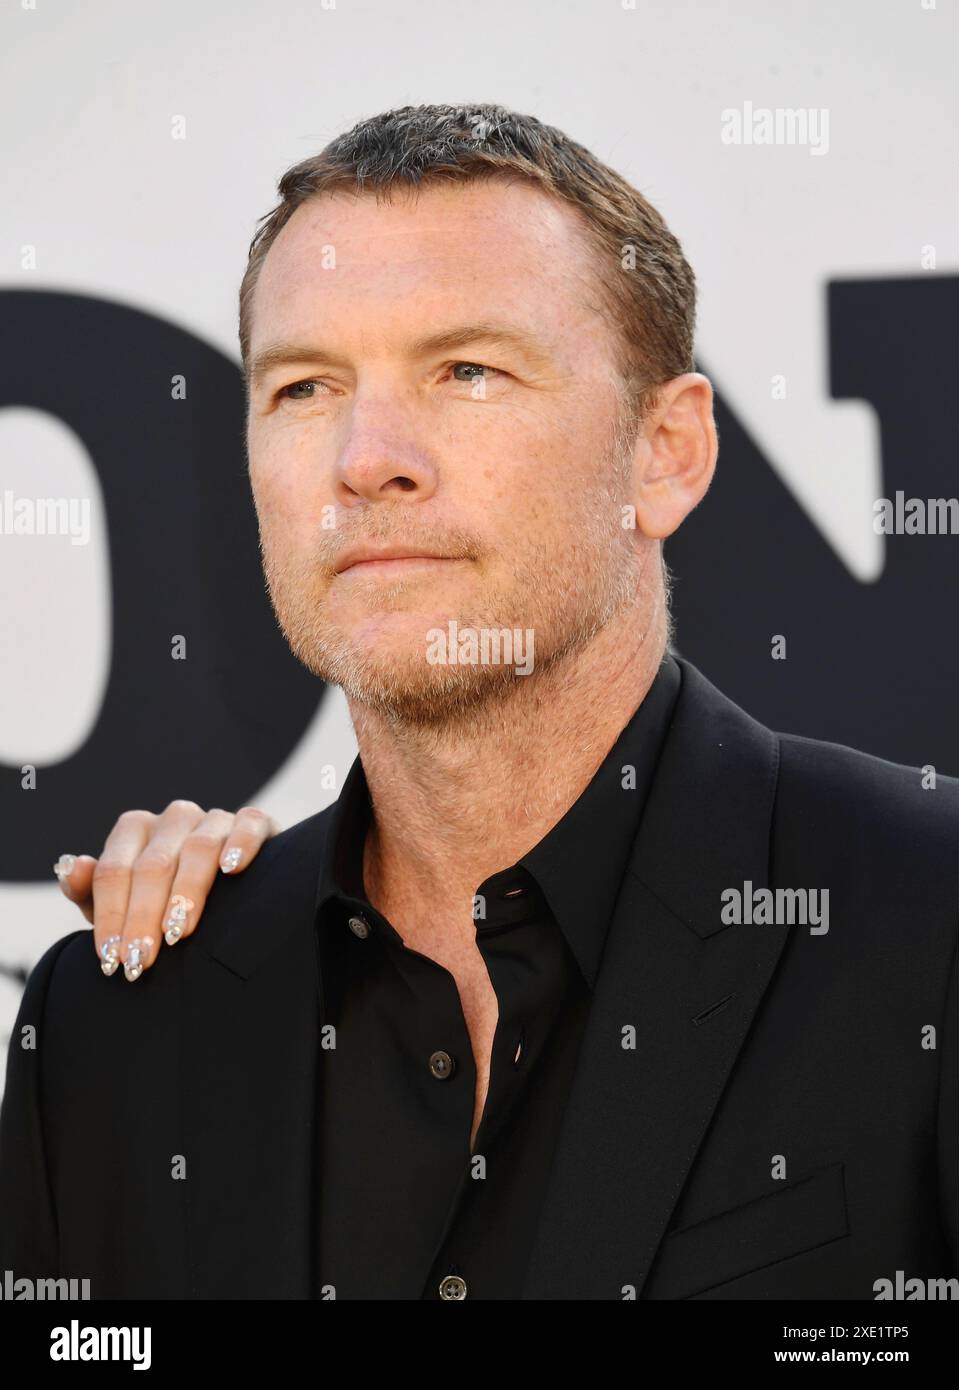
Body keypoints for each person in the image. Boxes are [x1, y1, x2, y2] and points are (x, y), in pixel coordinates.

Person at [1, 102, 958, 1301]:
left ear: (665, 453)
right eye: (304, 386)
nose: (368, 456)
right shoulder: (118, 1028)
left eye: (466, 371)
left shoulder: (926, 923)